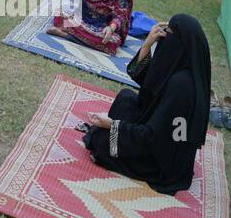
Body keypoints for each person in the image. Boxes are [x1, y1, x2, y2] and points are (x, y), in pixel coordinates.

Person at [83, 14, 211, 195]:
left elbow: (152, 137)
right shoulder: (181, 68)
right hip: (162, 134)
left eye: (170, 34)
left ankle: (109, 141)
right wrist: (148, 44)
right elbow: (148, 83)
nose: (165, 37)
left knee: (100, 141)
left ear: (179, 42)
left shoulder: (181, 85)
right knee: (126, 98)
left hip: (162, 160)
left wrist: (111, 125)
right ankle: (112, 136)